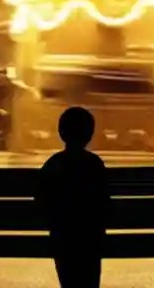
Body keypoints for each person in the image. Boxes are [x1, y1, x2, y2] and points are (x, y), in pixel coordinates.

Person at [36, 106, 110, 288]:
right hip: (90, 239)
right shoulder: (94, 164)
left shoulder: (53, 164)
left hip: (62, 239)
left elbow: (40, 199)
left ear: (61, 133)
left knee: (68, 278)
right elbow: (104, 203)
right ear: (90, 134)